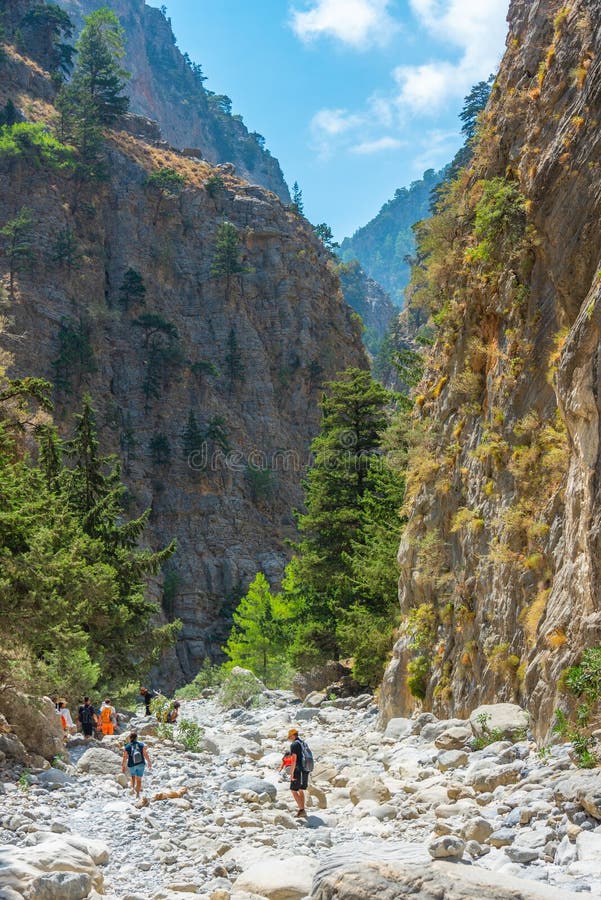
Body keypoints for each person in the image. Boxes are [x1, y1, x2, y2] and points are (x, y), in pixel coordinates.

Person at [278, 728, 308, 818]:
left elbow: (294, 760)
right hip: (305, 769)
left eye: (290, 736)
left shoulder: (294, 744)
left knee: (293, 790)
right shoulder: (303, 743)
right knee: (300, 789)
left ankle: (302, 810)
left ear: (293, 736)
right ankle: (302, 810)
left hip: (298, 770)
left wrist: (291, 774)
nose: (289, 738)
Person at [122, 730, 152, 797]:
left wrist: (123, 766)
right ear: (136, 738)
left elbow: (125, 757)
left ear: (130, 738)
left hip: (132, 764)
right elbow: (145, 754)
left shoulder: (127, 746)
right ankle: (138, 794)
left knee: (133, 776)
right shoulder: (141, 745)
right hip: (141, 764)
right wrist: (149, 762)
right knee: (139, 779)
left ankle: (132, 788)